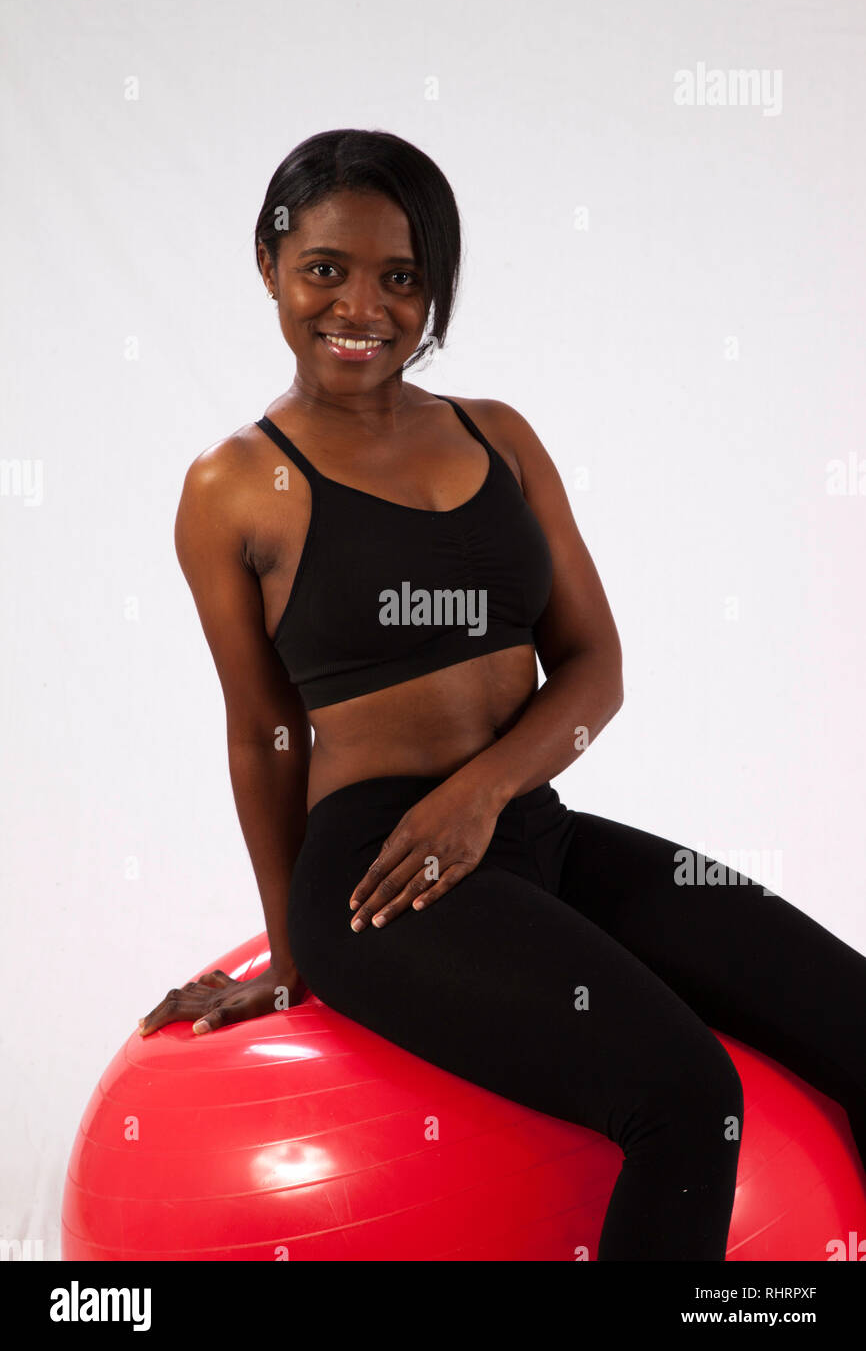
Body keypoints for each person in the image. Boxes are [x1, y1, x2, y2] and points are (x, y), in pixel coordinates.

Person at [139, 129, 866, 1261]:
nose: (362, 306)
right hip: (379, 879)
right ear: (269, 265)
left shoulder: (498, 437)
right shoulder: (234, 484)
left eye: (402, 275)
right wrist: (292, 954)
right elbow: (264, 728)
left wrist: (480, 794)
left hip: (525, 829)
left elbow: (594, 667)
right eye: (325, 267)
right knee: (686, 1096)